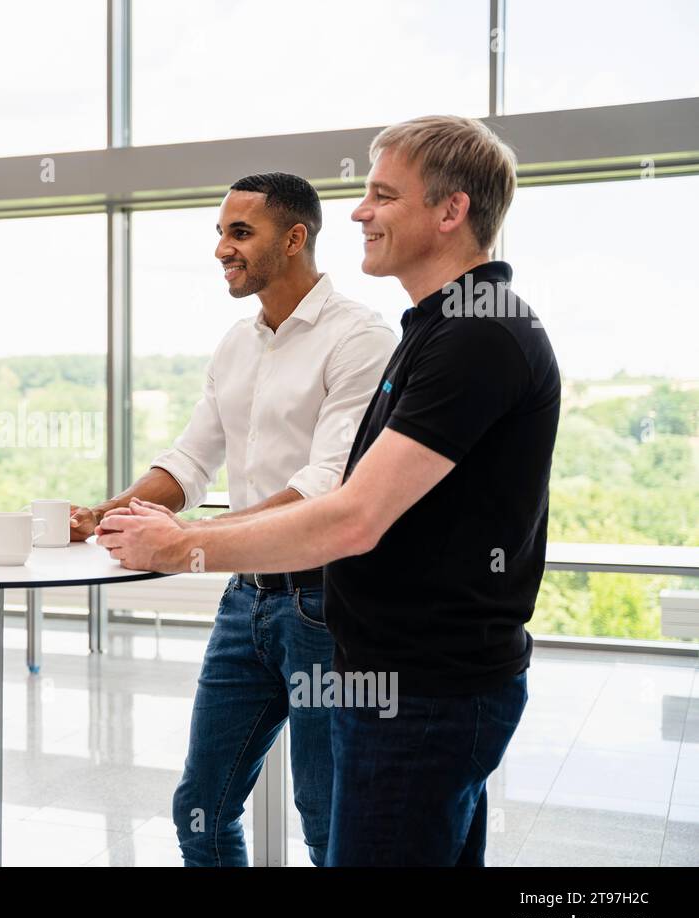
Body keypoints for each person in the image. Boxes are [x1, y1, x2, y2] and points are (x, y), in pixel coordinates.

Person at [99, 116, 558, 866]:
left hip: (422, 690)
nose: (358, 212)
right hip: (399, 670)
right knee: (216, 806)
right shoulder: (438, 328)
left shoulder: (476, 333)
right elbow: (206, 458)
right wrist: (130, 515)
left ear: (451, 211)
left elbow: (350, 514)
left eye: (383, 194)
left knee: (334, 829)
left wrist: (183, 545)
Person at [71, 173, 394, 865]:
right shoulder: (237, 344)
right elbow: (190, 462)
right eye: (221, 232)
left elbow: (325, 486)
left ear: (296, 238)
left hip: (325, 606)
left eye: (240, 233)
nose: (222, 248)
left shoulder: (360, 339)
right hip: (245, 599)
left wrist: (186, 541)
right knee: (201, 809)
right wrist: (104, 512)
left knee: (328, 821)